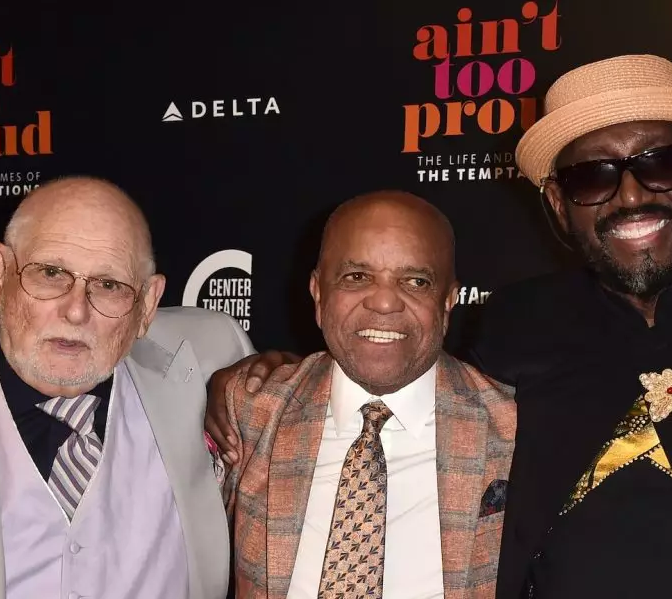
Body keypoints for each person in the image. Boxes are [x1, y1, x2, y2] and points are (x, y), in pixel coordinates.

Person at [207, 55, 672, 599]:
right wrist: (256, 374)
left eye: (661, 162)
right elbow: (392, 364)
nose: (632, 195)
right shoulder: (515, 325)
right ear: (559, 204)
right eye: (593, 176)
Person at [0, 176, 255, 599]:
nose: (75, 311)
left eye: (108, 285)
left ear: (146, 305)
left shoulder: (212, 358)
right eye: (51, 273)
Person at [221, 190, 517, 599]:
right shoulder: (249, 409)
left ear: (448, 302)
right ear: (318, 294)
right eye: (356, 277)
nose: (383, 302)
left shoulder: (514, 429)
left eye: (415, 281)